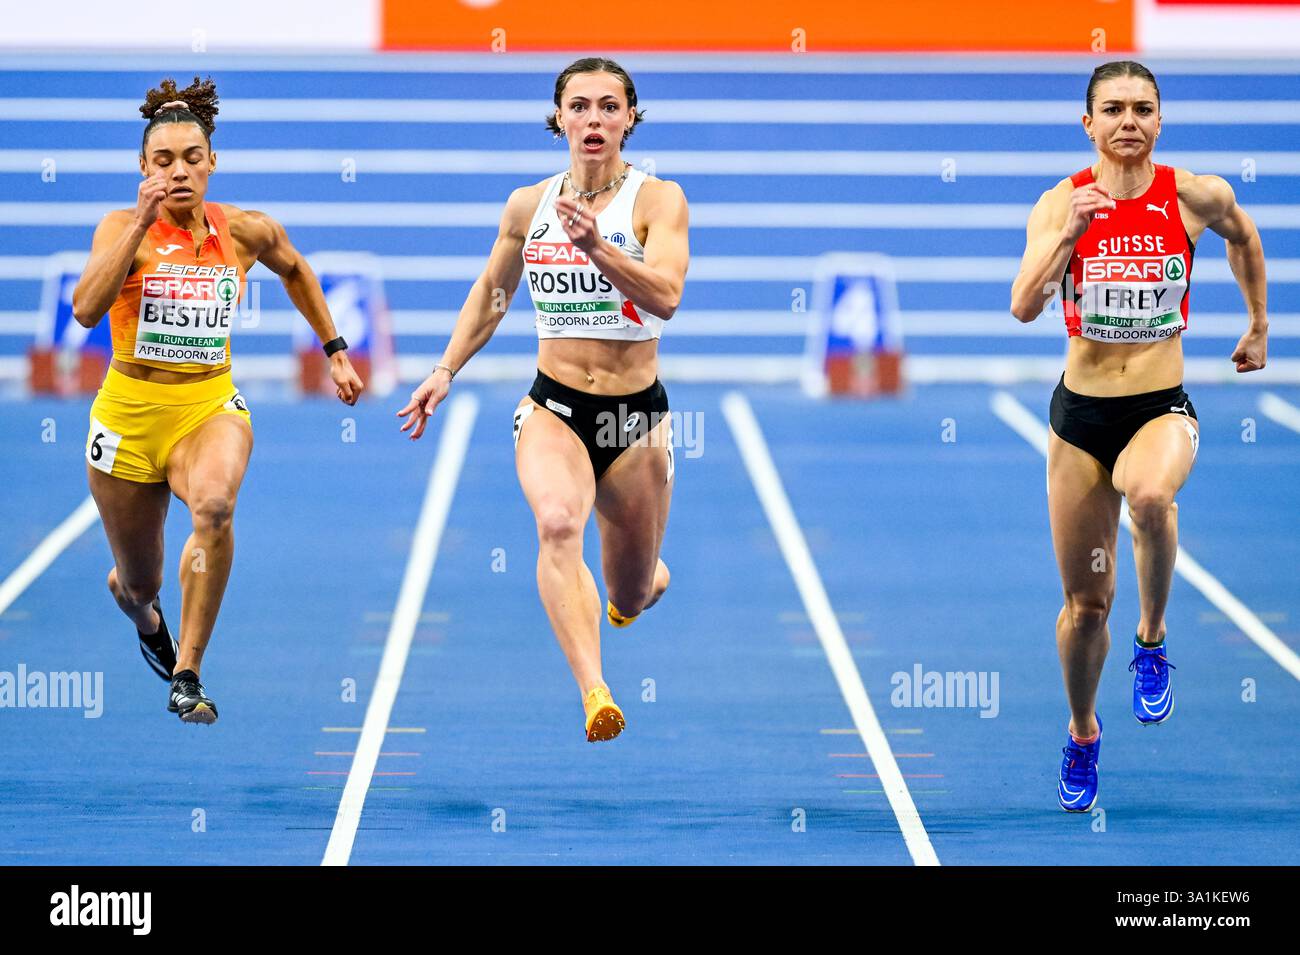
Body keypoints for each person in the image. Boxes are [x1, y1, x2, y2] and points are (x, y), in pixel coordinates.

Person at [398, 57, 689, 743]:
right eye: (580, 106)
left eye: (609, 107)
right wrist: (446, 368)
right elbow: (493, 295)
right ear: (558, 118)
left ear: (629, 120)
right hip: (553, 406)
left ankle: (641, 584)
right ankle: (594, 690)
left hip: (633, 415)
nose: (594, 119)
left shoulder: (657, 200)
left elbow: (667, 297)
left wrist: (598, 249)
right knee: (558, 522)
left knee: (629, 591)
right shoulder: (528, 205)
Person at [1010, 60, 1268, 811]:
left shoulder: (1194, 196)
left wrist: (1257, 323)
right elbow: (1024, 305)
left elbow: (1245, 237)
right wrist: (1067, 238)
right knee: (1086, 605)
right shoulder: (1058, 203)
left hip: (1160, 405)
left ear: (1160, 120)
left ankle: (1151, 641)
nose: (1129, 122)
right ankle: (1084, 729)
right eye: (1113, 109)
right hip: (1080, 420)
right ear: (1086, 123)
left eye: (1143, 109)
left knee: (1151, 495)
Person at [73, 76, 363, 723]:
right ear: (143, 168)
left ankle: (188, 670)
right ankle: (144, 613)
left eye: (192, 158)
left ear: (213, 162)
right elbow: (86, 309)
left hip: (208, 407)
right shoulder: (122, 227)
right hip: (126, 415)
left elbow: (294, 266)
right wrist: (141, 223)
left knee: (214, 504)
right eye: (163, 161)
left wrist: (335, 348)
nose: (179, 171)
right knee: (138, 581)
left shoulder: (244, 231)